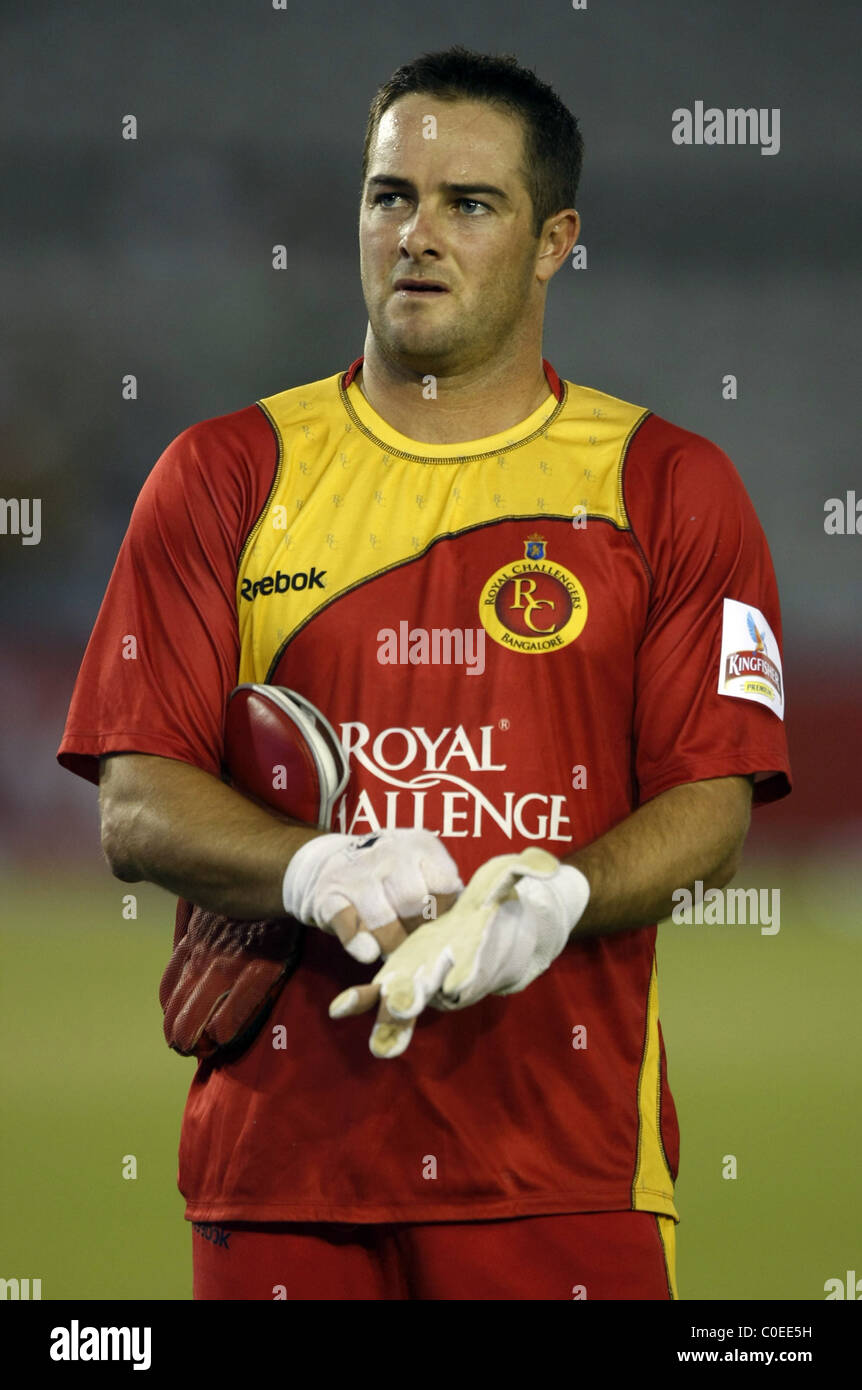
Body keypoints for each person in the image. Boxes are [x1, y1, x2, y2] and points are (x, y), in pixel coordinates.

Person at [58, 46, 791, 1301]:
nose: (418, 233)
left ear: (554, 241)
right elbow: (135, 806)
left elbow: (711, 808)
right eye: (390, 194)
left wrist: (554, 899)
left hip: (563, 1171)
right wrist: (315, 866)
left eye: (471, 202)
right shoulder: (221, 473)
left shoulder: (671, 486)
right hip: (277, 1174)